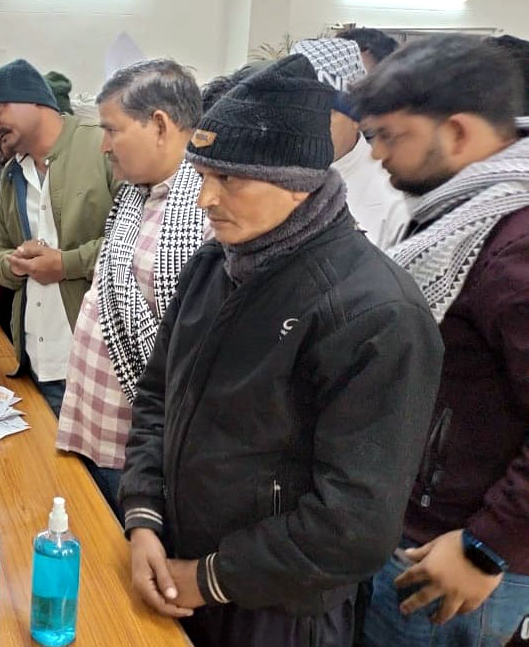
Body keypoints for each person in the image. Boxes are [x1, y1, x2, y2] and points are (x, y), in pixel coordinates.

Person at [118, 55, 444, 647]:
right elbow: (158, 396)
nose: (205, 200)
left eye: (231, 180)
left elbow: (355, 524)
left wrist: (213, 577)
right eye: (203, 175)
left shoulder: (375, 314)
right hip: (178, 573)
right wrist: (143, 518)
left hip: (277, 611)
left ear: (300, 183)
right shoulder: (212, 268)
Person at [350, 35, 529, 647]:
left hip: (457, 550)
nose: (374, 155)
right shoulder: (458, 217)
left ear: (455, 132)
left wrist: (486, 546)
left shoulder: (515, 245)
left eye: (388, 136)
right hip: (416, 520)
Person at [55, 60, 208, 519]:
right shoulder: (134, 194)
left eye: (112, 130)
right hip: (96, 427)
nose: (103, 146)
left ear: (159, 125)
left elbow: (188, 355)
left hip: (143, 451)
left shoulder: (205, 209)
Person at [0, 58, 115, 416]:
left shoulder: (101, 145)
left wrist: (66, 264)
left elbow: (141, 241)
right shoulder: (13, 173)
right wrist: (15, 263)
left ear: (34, 99)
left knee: (102, 475)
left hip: (96, 369)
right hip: (33, 365)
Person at [293, 38, 410, 248]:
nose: (306, 123)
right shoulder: (265, 178)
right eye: (295, 111)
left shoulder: (393, 198)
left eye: (325, 113)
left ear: (357, 117)